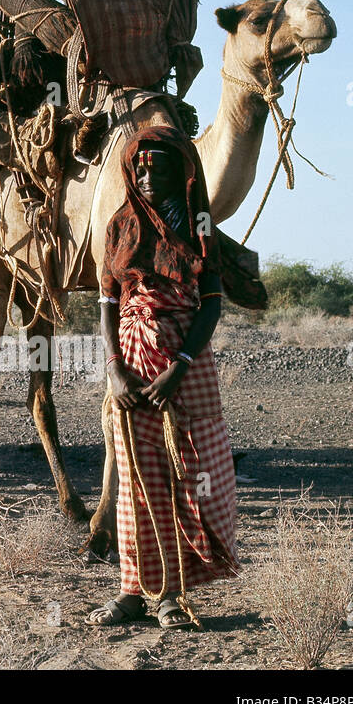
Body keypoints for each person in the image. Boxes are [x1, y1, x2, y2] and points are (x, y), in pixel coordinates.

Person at [87, 125, 240, 630]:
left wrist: (181, 367)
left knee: (189, 475)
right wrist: (114, 372)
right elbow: (108, 302)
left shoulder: (198, 223)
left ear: (182, 169)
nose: (149, 174)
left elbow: (212, 300)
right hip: (129, 358)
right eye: (141, 166)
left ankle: (173, 593)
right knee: (133, 478)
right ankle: (134, 591)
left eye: (160, 165)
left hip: (185, 358)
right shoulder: (120, 224)